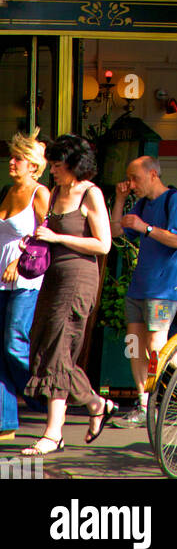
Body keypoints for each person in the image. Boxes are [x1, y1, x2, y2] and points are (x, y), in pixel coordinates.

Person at [22, 135, 113, 455]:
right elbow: (49, 236)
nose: (53, 172)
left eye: (58, 166)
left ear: (75, 165)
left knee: (60, 348)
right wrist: (35, 243)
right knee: (43, 344)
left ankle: (53, 433)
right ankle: (96, 402)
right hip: (53, 277)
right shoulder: (57, 191)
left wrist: (57, 236)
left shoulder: (91, 194)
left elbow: (104, 244)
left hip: (79, 278)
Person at [110, 155, 177, 427]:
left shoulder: (174, 200)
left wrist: (145, 227)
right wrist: (120, 201)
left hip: (164, 286)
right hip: (140, 286)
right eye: (129, 178)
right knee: (134, 345)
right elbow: (114, 232)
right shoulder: (143, 204)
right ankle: (143, 405)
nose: (131, 184)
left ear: (153, 174)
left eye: (135, 178)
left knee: (156, 344)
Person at [0, 130, 50, 438]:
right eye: (11, 156)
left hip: (26, 278)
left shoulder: (39, 193)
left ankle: (41, 394)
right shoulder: (6, 190)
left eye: (18, 157)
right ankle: (5, 421)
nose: (12, 161)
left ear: (32, 165)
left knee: (13, 341)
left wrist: (18, 261)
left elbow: (44, 235)